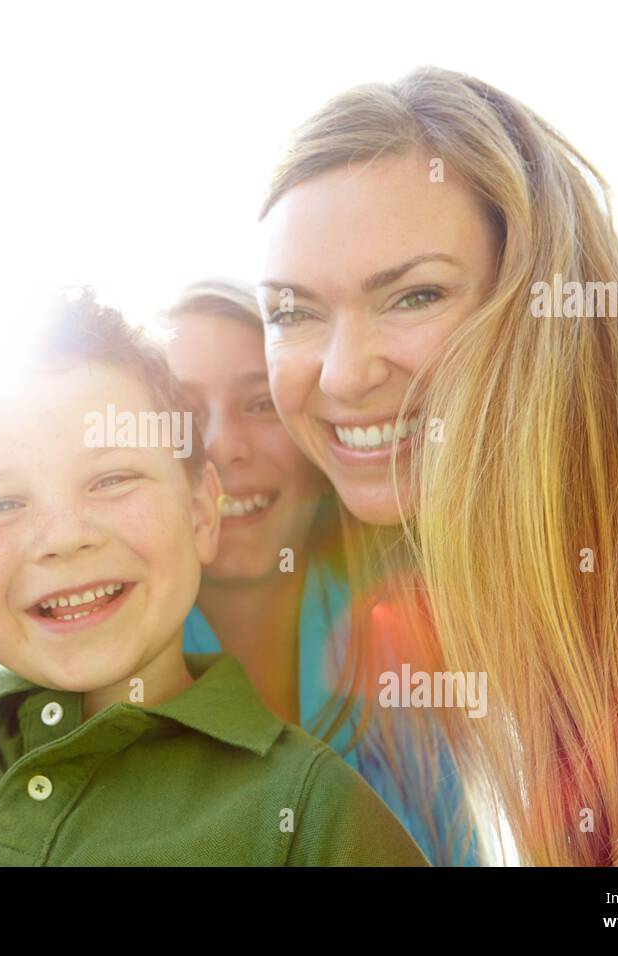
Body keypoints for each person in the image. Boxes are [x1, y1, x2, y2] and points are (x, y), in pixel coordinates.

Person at [255, 66, 618, 865]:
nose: (340, 374)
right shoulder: (456, 550)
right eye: (293, 311)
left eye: (414, 296)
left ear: (531, 284)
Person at [0, 288, 429, 865]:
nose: (65, 536)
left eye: (110, 480)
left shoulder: (311, 810)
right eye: (1, 505)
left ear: (202, 510)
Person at [163, 278, 476, 865]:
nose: (224, 447)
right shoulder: (108, 667)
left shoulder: (414, 616)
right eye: (180, 416)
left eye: (259, 405)